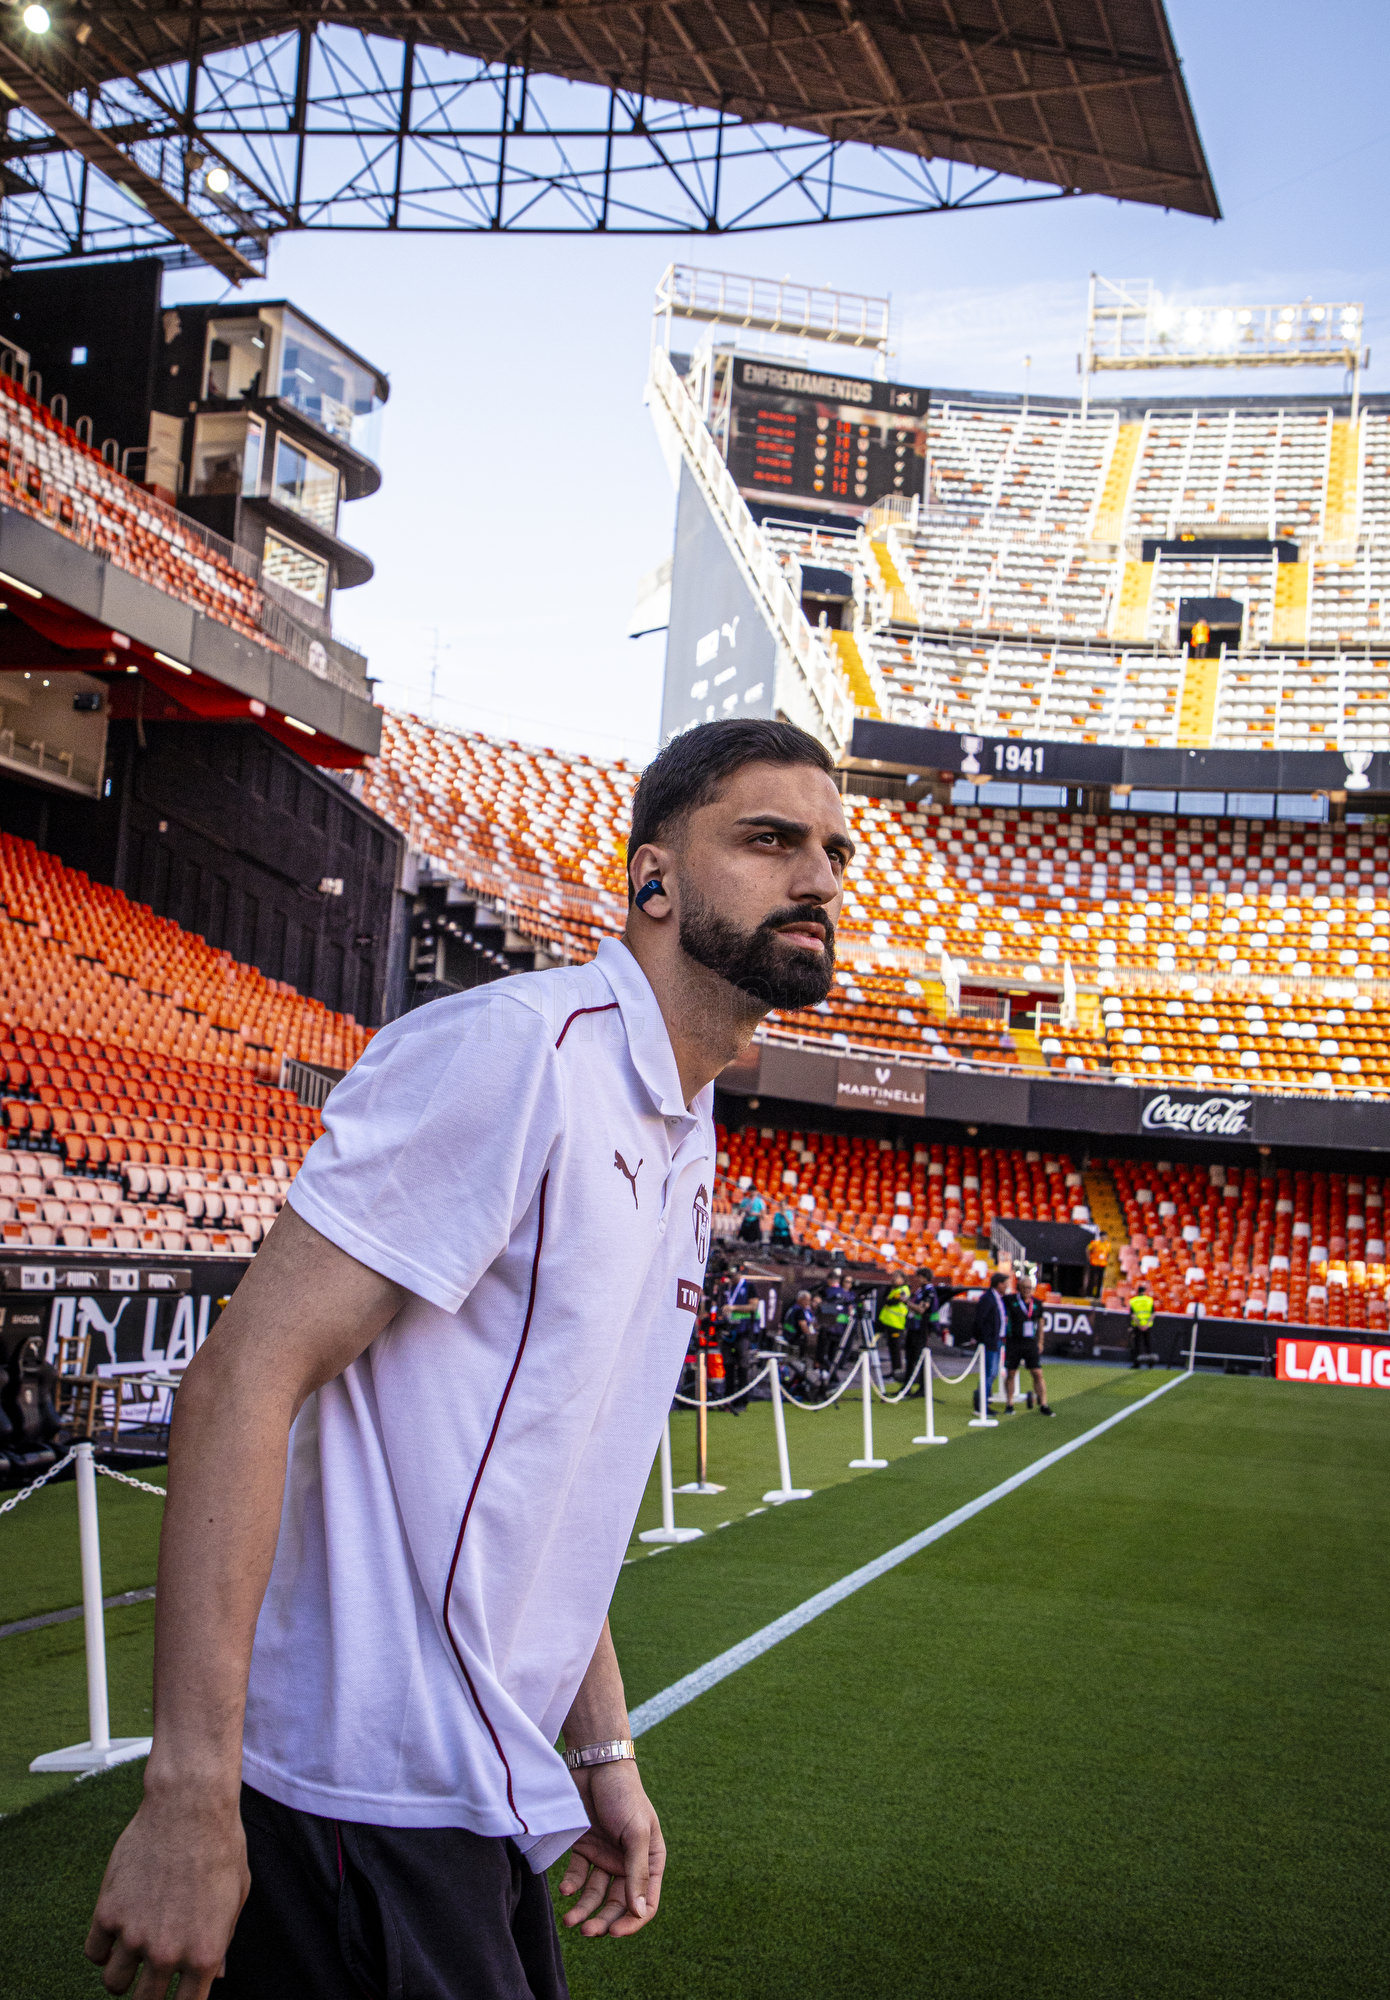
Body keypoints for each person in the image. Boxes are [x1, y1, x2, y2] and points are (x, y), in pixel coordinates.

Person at [84, 716, 852, 2000]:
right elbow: (239, 1377)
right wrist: (185, 1796)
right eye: (768, 839)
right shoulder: (514, 1051)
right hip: (352, 1788)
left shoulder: (684, 1115)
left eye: (833, 849)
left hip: (484, 1788)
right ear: (652, 876)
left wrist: (600, 1743)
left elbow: (549, 1473)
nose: (818, 877)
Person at [1003, 1272, 1053, 1416]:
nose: (1027, 1290)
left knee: (1037, 1372)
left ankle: (1043, 1403)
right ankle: (1009, 1403)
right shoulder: (1010, 1300)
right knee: (1011, 1372)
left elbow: (1041, 1323)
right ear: (1019, 1288)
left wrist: (1041, 1341)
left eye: (1029, 1288)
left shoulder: (1036, 1304)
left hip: (1030, 1341)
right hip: (1014, 1341)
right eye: (1024, 1288)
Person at [974, 1271, 1009, 1412]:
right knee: (989, 1372)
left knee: (992, 1372)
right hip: (990, 1341)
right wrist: (984, 1338)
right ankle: (981, 1404)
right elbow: (980, 1320)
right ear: (999, 1284)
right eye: (1005, 1283)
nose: (1006, 1286)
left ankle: (983, 1401)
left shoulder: (997, 1298)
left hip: (996, 1340)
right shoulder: (988, 1299)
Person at [904, 1269, 938, 1396]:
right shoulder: (920, 1290)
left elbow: (921, 1309)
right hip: (914, 1327)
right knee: (910, 1356)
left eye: (918, 1277)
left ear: (923, 1277)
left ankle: (922, 1388)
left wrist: (906, 1302)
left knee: (919, 1357)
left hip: (922, 1328)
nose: (917, 1280)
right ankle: (907, 1387)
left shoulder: (929, 1291)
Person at [876, 1275, 910, 1382]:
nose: (894, 1280)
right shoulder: (894, 1289)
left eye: (897, 1278)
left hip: (896, 1324)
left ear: (903, 1279)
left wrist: (889, 1299)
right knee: (892, 1349)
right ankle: (894, 1371)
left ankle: (898, 1372)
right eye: (894, 1278)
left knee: (896, 1350)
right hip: (890, 1323)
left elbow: (891, 1302)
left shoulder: (902, 1290)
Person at [784, 1289, 817, 1364]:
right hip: (794, 1337)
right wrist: (811, 1336)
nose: (808, 1303)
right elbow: (804, 1327)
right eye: (806, 1300)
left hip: (787, 1334)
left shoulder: (793, 1307)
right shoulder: (799, 1311)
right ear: (800, 1300)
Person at [1130, 1280, 1157, 1368]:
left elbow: (1133, 1315)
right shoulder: (1149, 1300)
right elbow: (1153, 1314)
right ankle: (1150, 1364)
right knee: (1148, 1345)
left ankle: (1136, 1364)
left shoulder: (1133, 1301)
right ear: (1144, 1292)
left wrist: (1140, 1325)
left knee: (1137, 1345)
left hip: (1137, 1326)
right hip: (1147, 1326)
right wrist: (1146, 1325)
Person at [1086, 1231, 1109, 1299]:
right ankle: (1089, 1294)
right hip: (1094, 1263)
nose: (1105, 1238)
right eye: (1104, 1236)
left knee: (1100, 1280)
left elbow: (1108, 1253)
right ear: (1101, 1236)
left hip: (1102, 1264)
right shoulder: (1095, 1243)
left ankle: (1097, 1295)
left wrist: (1106, 1260)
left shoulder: (1107, 1244)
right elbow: (1088, 1249)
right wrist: (1089, 1258)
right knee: (1092, 1279)